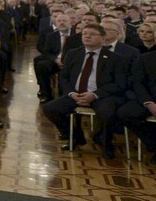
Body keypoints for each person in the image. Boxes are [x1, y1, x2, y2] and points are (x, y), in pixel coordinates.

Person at [42, 24, 126, 159]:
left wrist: (94, 95)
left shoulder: (115, 58)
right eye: (84, 33)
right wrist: (71, 93)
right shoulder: (73, 53)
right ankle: (75, 136)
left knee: (107, 112)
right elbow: (64, 77)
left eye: (92, 34)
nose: (87, 36)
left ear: (103, 38)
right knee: (50, 108)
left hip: (101, 95)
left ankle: (106, 144)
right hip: (76, 93)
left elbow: (119, 84)